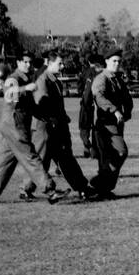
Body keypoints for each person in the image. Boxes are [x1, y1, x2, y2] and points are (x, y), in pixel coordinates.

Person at [0, 53, 65, 204]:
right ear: (18, 62)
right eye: (24, 62)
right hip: (14, 125)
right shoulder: (15, 78)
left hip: (13, 125)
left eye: (30, 62)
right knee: (30, 157)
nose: (28, 65)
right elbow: (8, 93)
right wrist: (26, 88)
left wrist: (46, 116)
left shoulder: (26, 78)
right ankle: (50, 190)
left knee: (6, 161)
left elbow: (30, 106)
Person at [32, 51, 95, 201]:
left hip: (57, 125)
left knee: (65, 157)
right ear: (50, 63)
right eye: (59, 63)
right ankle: (26, 189)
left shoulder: (55, 80)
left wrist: (62, 117)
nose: (62, 66)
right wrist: (52, 118)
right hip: (46, 125)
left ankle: (82, 188)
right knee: (41, 159)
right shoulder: (43, 80)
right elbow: (41, 102)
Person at [90, 50, 133, 197]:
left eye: (119, 61)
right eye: (114, 61)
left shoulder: (117, 79)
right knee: (117, 154)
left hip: (116, 125)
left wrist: (127, 111)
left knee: (113, 156)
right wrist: (114, 110)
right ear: (106, 61)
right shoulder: (102, 78)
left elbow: (127, 97)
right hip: (104, 126)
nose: (117, 64)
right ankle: (100, 184)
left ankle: (103, 188)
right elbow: (98, 96)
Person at [79, 58, 102, 158]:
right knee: (95, 127)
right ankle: (94, 150)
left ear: (89, 62)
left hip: (86, 103)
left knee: (84, 126)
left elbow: (80, 85)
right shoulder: (100, 73)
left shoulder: (85, 72)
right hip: (97, 103)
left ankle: (86, 145)